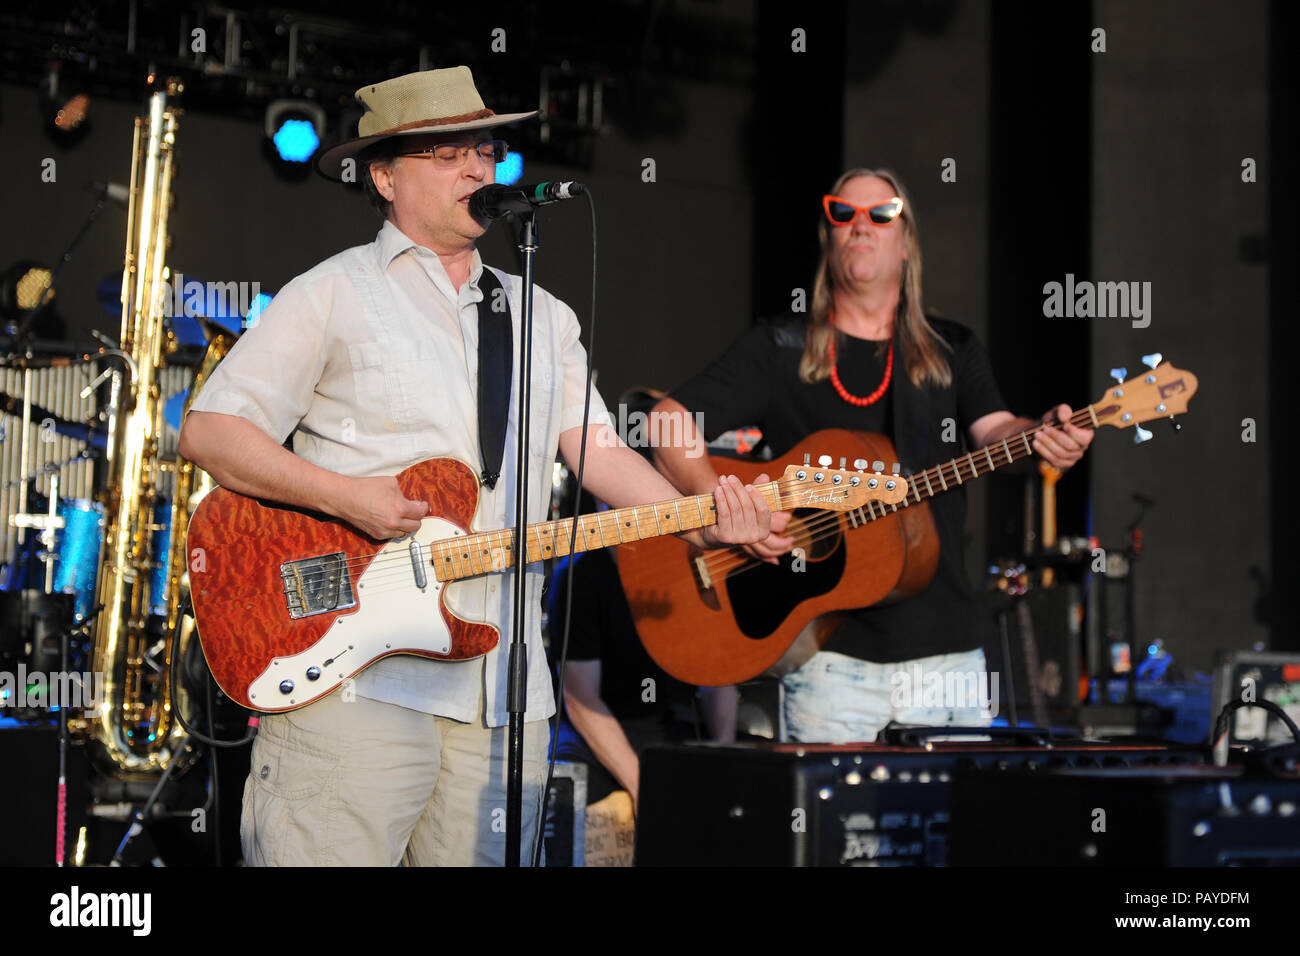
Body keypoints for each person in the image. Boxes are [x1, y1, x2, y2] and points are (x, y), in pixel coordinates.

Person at [177, 66, 770, 866]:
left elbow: (598, 450)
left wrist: (702, 525)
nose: (477, 168)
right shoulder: (331, 293)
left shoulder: (543, 315)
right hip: (356, 681)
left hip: (504, 690)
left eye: (485, 149)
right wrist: (347, 498)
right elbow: (211, 431)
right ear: (384, 177)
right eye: (446, 151)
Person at [651, 167, 1092, 743]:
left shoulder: (952, 348)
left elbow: (996, 431)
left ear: (906, 242)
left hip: (948, 661)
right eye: (843, 212)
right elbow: (667, 418)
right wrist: (723, 508)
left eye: (881, 213)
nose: (861, 225)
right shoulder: (779, 347)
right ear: (826, 235)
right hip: (827, 662)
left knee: (954, 832)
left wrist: (1042, 433)